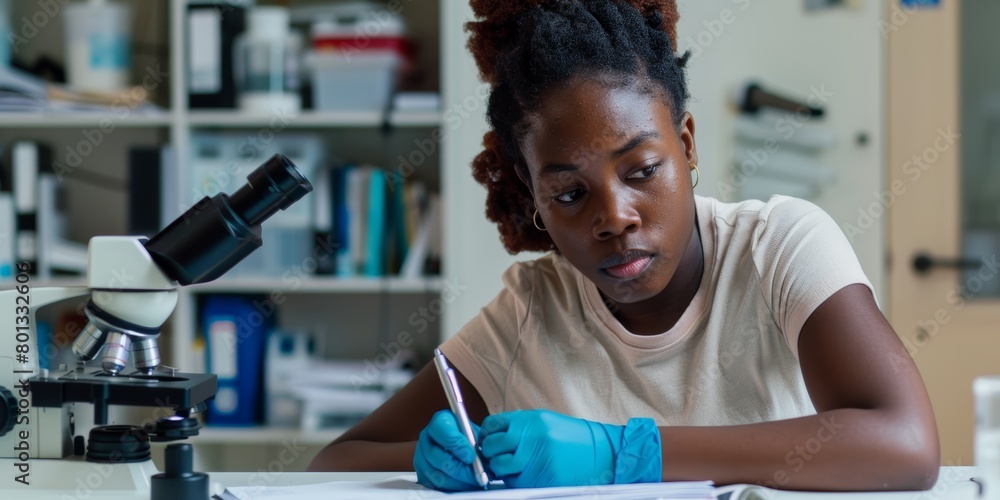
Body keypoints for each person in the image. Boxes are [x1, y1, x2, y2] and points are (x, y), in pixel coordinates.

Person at [307, 0, 940, 491]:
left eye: (641, 171)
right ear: (532, 194)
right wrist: (436, 460)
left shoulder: (778, 247)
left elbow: (906, 444)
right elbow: (336, 462)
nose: (616, 218)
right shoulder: (532, 309)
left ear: (687, 146)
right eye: (570, 194)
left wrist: (624, 454)